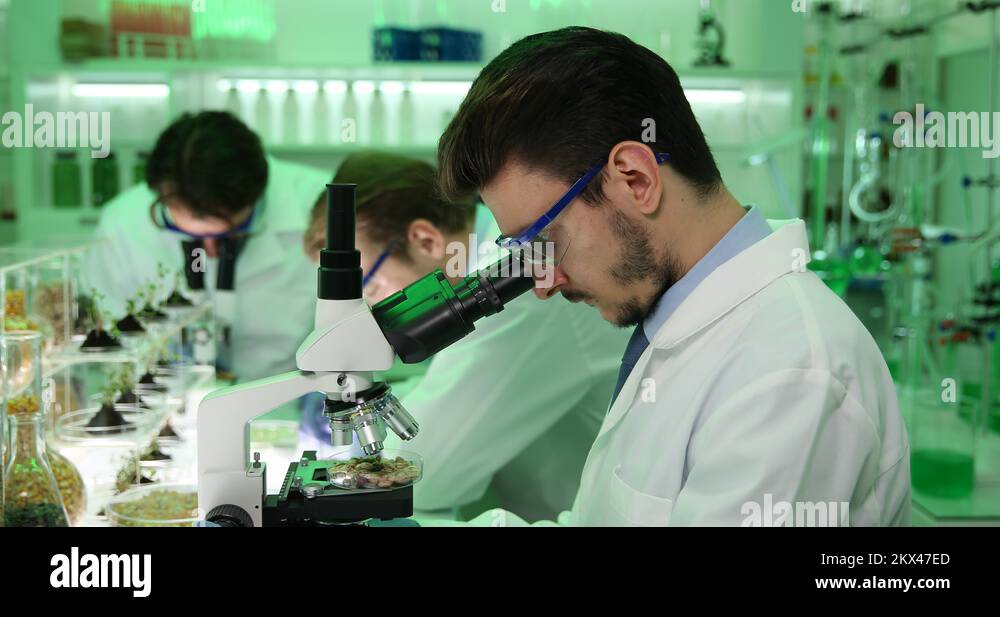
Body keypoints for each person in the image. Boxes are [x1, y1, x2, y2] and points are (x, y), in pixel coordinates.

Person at [434, 27, 910, 526]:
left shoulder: (788, 377)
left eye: (542, 242)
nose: (542, 282)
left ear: (635, 179)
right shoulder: (674, 316)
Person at [301, 150, 629, 522]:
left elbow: (425, 475)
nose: (367, 308)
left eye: (370, 286)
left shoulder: (517, 292)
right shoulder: (487, 256)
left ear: (425, 240)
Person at [83, 111, 329, 382]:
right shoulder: (123, 223)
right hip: (171, 402)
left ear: (259, 195)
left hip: (285, 399)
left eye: (230, 236)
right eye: (188, 236)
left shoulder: (321, 207)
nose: (210, 252)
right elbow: (107, 335)